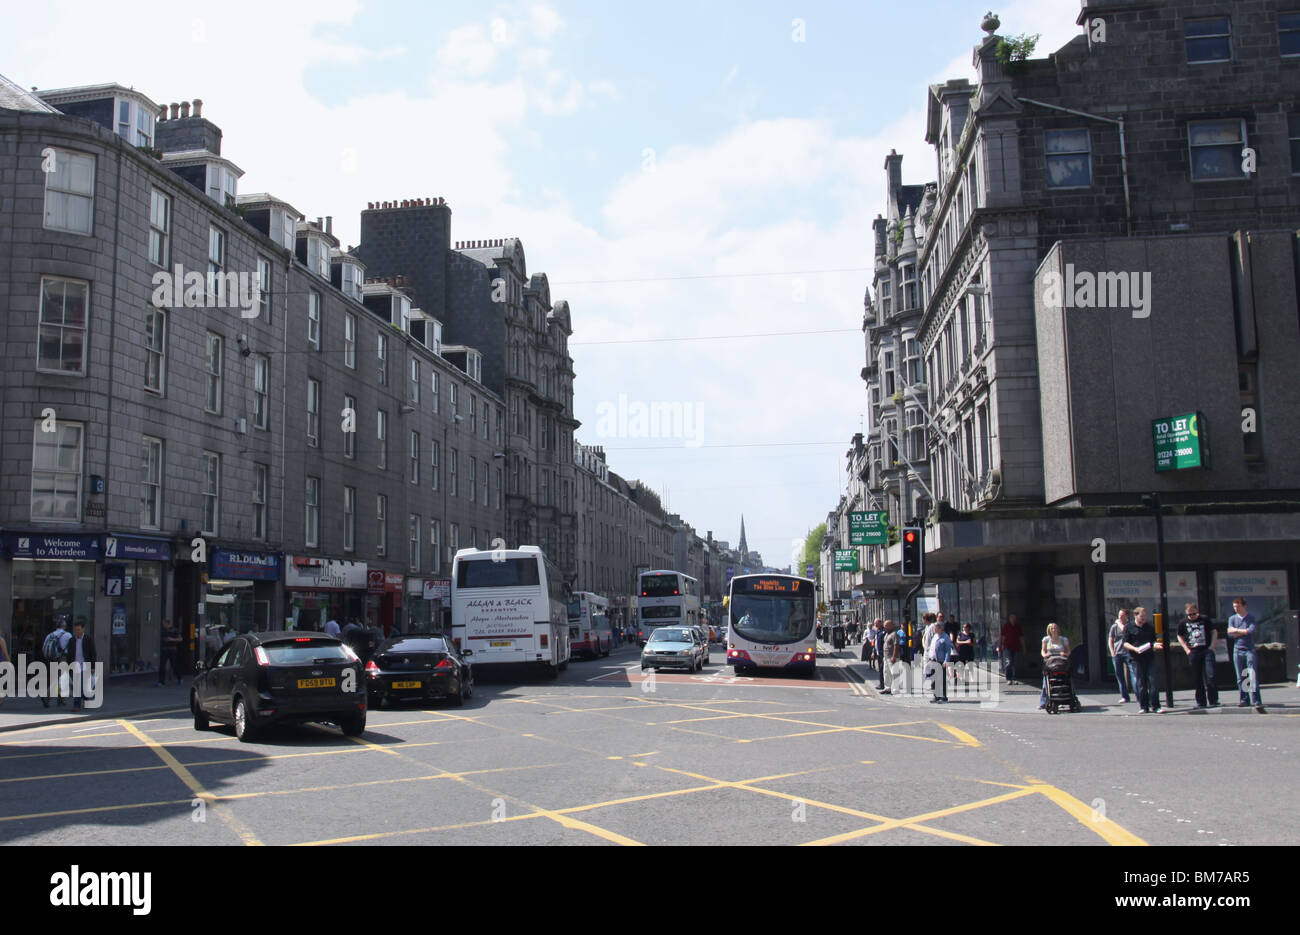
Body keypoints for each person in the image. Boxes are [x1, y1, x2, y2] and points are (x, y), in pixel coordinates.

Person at [1177, 603, 1219, 709]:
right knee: (1197, 677)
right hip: (1193, 652)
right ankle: (1201, 701)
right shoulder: (1183, 622)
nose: (1192, 616)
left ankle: (1213, 700)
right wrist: (1186, 649)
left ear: (1197, 611)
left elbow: (1214, 632)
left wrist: (1212, 646)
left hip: (1206, 650)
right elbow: (1179, 636)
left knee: (1211, 675)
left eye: (1194, 614)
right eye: (1190, 615)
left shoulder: (1204, 619)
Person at [1226, 597, 1264, 713]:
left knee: (1251, 674)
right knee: (1240, 676)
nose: (1236, 609)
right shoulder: (1232, 618)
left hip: (1249, 649)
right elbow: (1230, 634)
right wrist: (1242, 631)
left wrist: (1236, 630)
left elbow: (1251, 631)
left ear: (1244, 606)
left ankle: (1256, 700)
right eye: (1234, 607)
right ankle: (1244, 699)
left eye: (1238, 606)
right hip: (1237, 649)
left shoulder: (1251, 617)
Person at [1123, 606, 1161, 713]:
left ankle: (1156, 706)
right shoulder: (1129, 627)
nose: (1143, 618)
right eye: (1141, 616)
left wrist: (1155, 644)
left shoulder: (1149, 627)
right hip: (1136, 658)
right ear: (1136, 615)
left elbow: (1153, 640)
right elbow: (1125, 643)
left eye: (1145, 616)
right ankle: (1144, 706)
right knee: (1141, 683)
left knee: (1153, 681)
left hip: (1149, 657)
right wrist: (1134, 649)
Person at [40, 618, 73, 708]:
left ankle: (61, 699)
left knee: (57, 678)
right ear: (64, 626)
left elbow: (43, 649)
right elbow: (72, 647)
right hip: (62, 658)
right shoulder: (67, 635)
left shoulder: (50, 635)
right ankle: (47, 696)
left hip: (51, 659)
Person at [1038, 622, 1070, 710]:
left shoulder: (1063, 639)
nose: (1054, 630)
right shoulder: (1046, 640)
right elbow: (1043, 651)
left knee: (1061, 682)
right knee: (1046, 683)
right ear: (1049, 630)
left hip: (1061, 662)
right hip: (1050, 662)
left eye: (1055, 628)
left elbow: (1068, 651)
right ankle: (1043, 702)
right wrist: (1044, 655)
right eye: (1052, 628)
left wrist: (1065, 654)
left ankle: (1061, 701)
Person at [69, 620, 98, 712]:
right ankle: (85, 702)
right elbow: (69, 654)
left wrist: (93, 667)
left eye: (79, 630)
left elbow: (93, 653)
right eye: (76, 630)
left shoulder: (88, 639)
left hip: (86, 665)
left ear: (83, 629)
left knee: (82, 685)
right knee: (79, 685)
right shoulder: (72, 640)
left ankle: (77, 704)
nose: (77, 632)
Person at [1108, 609, 1132, 704]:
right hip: (1117, 653)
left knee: (1134, 674)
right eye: (1119, 615)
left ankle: (1138, 694)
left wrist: (1119, 623)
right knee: (1119, 675)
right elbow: (1110, 640)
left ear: (1127, 616)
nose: (1119, 617)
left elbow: (1125, 631)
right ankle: (1124, 696)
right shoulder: (1114, 627)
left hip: (1128, 653)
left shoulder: (1129, 626)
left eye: (1122, 615)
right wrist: (1112, 652)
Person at [927, 623, 953, 703]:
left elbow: (948, 650)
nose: (934, 630)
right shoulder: (935, 636)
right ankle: (936, 696)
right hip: (933, 660)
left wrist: (946, 661)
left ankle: (943, 696)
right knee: (934, 679)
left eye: (936, 628)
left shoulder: (945, 637)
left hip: (941, 660)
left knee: (941, 679)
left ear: (940, 628)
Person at [998, 614, 1024, 685]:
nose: (1013, 619)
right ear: (1009, 619)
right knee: (1009, 662)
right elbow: (1002, 637)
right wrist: (1000, 646)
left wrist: (1024, 647)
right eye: (1012, 618)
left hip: (1016, 647)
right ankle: (1008, 678)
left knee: (1014, 663)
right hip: (1007, 647)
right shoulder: (1006, 626)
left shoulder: (1018, 626)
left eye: (1014, 618)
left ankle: (1014, 678)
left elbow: (1021, 637)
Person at [157, 618, 182, 687]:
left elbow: (180, 639)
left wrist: (172, 639)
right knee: (162, 665)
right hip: (164, 650)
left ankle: (179, 677)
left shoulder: (174, 630)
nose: (163, 625)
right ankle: (161, 682)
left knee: (174, 665)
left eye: (164, 623)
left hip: (172, 650)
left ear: (167, 623)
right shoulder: (163, 630)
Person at [881, 619, 900, 695]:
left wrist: (894, 656)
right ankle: (887, 688)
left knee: (894, 672)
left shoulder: (894, 634)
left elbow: (896, 645)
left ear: (891, 626)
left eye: (886, 626)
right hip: (886, 656)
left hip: (892, 656)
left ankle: (895, 689)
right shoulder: (887, 634)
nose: (884, 627)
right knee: (886, 672)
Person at [955, 623, 975, 687]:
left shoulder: (972, 634)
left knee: (970, 665)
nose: (964, 628)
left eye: (965, 627)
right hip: (962, 652)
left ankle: (972, 678)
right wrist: (966, 642)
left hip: (969, 652)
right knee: (961, 665)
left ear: (968, 628)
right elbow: (957, 641)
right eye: (963, 627)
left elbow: (974, 643)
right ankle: (961, 677)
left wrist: (970, 644)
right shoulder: (960, 634)